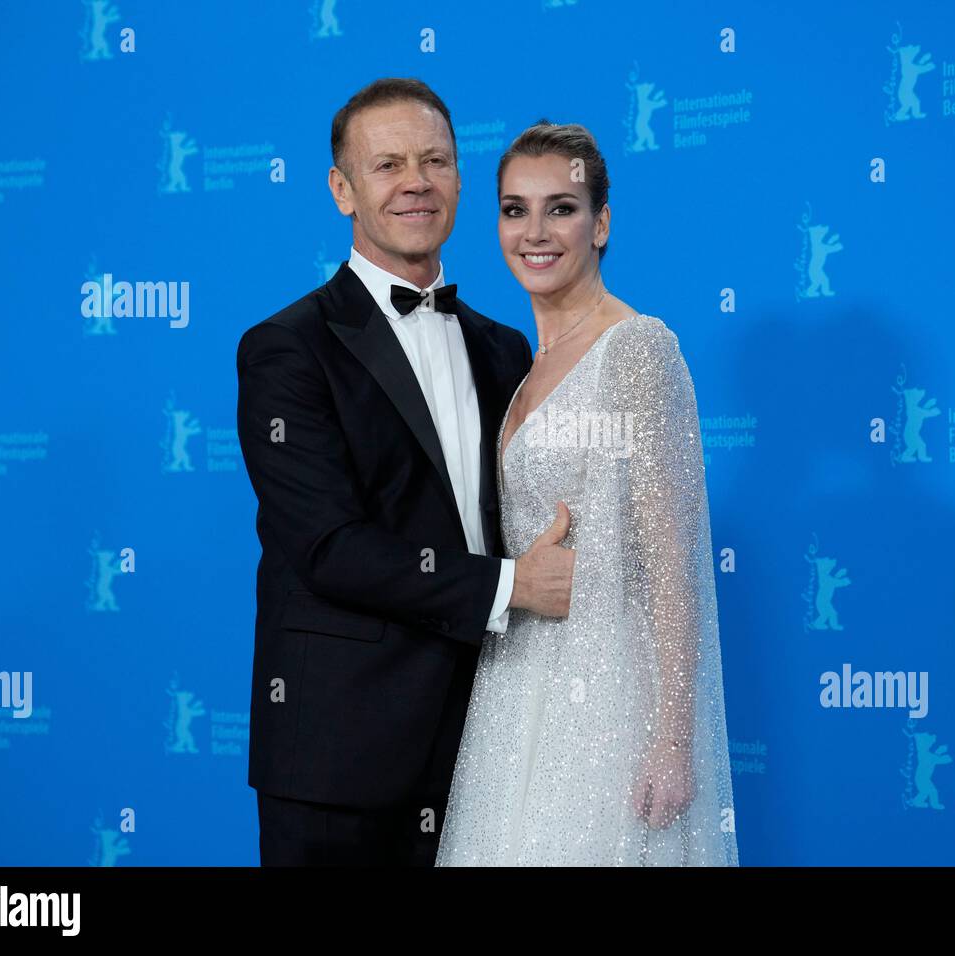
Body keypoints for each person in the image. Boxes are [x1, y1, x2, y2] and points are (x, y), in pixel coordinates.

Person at [235, 78, 576, 866]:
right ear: (342, 190)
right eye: (388, 164)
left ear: (461, 180)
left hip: (486, 741)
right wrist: (512, 587)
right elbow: (327, 545)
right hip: (339, 753)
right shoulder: (287, 349)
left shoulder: (503, 350)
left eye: (435, 161)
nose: (416, 181)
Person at [434, 121, 739, 865]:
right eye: (514, 209)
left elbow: (673, 564)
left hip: (608, 705)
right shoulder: (522, 365)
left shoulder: (637, 350)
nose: (535, 231)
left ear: (601, 223)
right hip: (513, 691)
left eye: (561, 208)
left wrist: (671, 738)